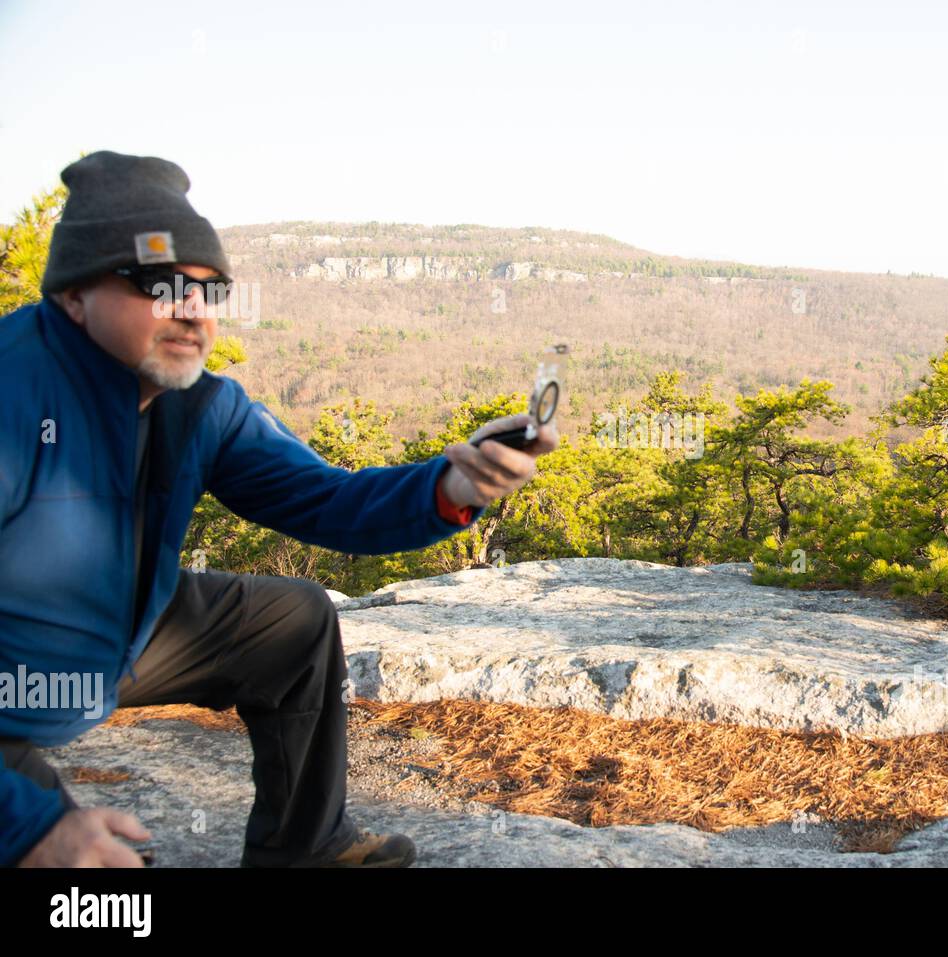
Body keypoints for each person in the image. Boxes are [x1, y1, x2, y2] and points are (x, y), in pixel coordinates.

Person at [0, 150, 557, 867]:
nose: (192, 311)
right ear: (74, 295)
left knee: (293, 620)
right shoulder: (15, 396)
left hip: (118, 633)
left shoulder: (201, 409)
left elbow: (332, 500)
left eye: (210, 289)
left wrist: (453, 487)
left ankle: (307, 843)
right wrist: (30, 825)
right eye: (160, 283)